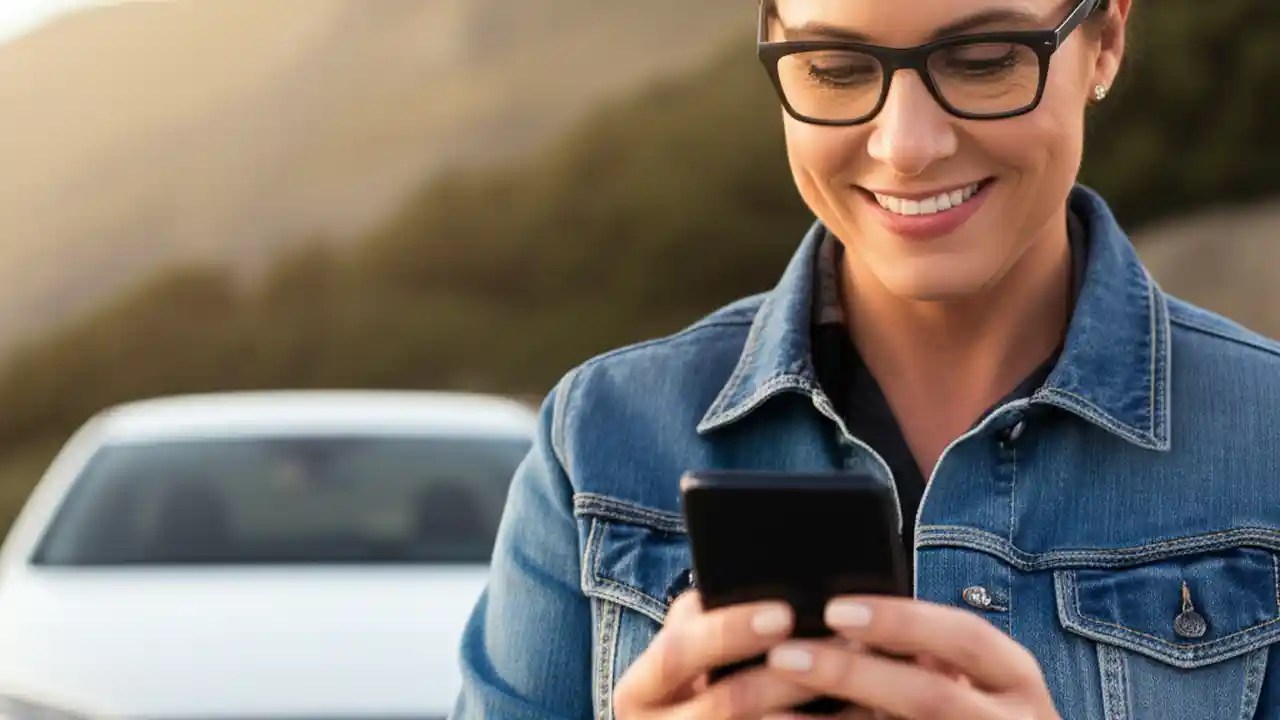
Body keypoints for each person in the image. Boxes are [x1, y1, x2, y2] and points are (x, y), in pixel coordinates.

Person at [453, 0, 1280, 717]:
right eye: (836, 68)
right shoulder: (596, 441)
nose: (907, 145)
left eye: (985, 60)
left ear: (1106, 41)